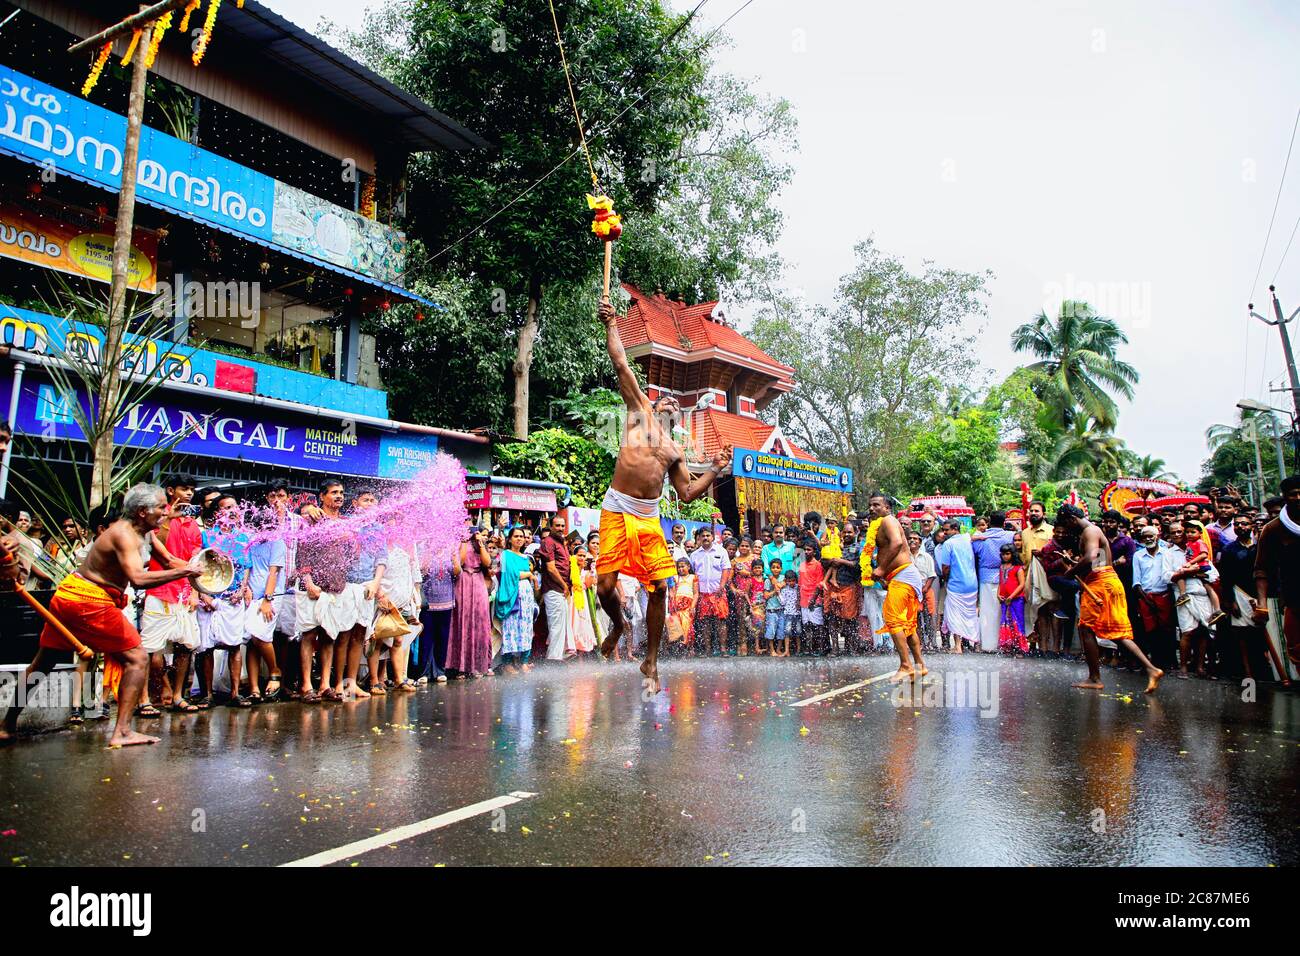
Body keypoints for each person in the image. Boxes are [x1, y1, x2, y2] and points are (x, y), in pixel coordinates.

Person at [594, 300, 732, 691]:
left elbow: (687, 493)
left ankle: (651, 660)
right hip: (616, 508)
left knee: (658, 586)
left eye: (676, 402)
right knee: (605, 587)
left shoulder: (674, 450)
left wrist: (716, 468)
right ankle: (619, 623)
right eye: (666, 399)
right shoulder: (639, 413)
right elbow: (621, 363)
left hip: (648, 516)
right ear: (654, 405)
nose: (671, 401)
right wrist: (612, 323)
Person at [3, 484, 202, 747]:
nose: (167, 512)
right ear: (142, 512)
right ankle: (122, 732)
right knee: (138, 658)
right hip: (90, 601)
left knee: (43, 664)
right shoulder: (124, 535)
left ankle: (6, 726)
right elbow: (138, 579)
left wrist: (196, 567)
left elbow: (167, 561)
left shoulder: (145, 532)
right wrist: (185, 573)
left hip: (70, 596)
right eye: (162, 508)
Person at [1054, 504, 1163, 693]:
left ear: (1072, 519)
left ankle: (1095, 678)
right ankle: (1151, 669)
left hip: (1102, 584)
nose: (1066, 529)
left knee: (1086, 628)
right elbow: (1098, 561)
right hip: (1106, 581)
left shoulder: (1090, 531)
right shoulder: (1093, 530)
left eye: (1066, 525)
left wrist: (1071, 571)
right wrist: (1073, 563)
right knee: (1117, 633)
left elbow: (1091, 557)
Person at [139, 472, 202, 713]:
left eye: (191, 490)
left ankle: (177, 696)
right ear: (170, 491)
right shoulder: (157, 516)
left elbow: (195, 561)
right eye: (184, 488)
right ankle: (144, 699)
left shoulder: (192, 524)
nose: (188, 493)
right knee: (150, 650)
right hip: (158, 590)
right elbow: (159, 551)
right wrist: (168, 518)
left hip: (184, 593)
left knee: (185, 648)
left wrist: (195, 592)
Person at [867, 493, 926, 681]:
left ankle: (906, 665)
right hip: (901, 575)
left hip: (904, 575)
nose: (872, 508)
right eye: (870, 505)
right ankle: (920, 665)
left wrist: (882, 568)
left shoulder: (888, 520)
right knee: (907, 626)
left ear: (887, 508)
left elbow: (898, 543)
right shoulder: (881, 523)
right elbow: (897, 549)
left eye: (876, 505)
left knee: (893, 620)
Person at [1252, 475, 1300, 680]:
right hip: (1294, 598)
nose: (1298, 498)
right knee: (1297, 649)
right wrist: (1262, 605)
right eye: (1293, 494)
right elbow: (1262, 569)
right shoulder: (1272, 530)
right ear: (1285, 497)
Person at [448, 524, 494, 677]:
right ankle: (460, 666)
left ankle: (479, 664)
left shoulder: (480, 544)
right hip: (463, 581)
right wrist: (463, 542)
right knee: (462, 620)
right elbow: (460, 562)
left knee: (480, 620)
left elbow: (487, 563)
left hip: (478, 580)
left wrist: (481, 544)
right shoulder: (460, 543)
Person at [496, 526, 539, 674]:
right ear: (510, 539)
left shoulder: (525, 557)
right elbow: (511, 573)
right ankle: (507, 663)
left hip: (526, 598)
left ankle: (524, 662)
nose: (519, 539)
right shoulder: (506, 554)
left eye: (521, 536)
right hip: (512, 595)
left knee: (526, 628)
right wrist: (528, 574)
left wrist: (529, 576)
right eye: (516, 536)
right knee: (511, 628)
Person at [970, 511, 1015, 653]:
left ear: (989, 521)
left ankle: (988, 645)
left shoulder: (981, 538)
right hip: (1006, 576)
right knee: (1004, 611)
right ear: (1004, 522)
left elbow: (975, 553)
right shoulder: (1010, 536)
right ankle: (1005, 643)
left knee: (987, 612)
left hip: (986, 577)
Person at [935, 519, 978, 652]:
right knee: (971, 614)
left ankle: (958, 646)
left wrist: (946, 580)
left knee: (955, 615)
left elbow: (945, 567)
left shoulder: (948, 543)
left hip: (956, 583)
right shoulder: (967, 539)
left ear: (955, 528)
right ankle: (977, 644)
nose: (944, 533)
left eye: (946, 530)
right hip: (972, 583)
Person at [1174, 519, 1226, 625]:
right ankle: (1217, 610)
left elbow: (1203, 555)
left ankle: (1183, 594)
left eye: (1193, 532)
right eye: (1187, 532)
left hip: (1200, 566)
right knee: (1207, 587)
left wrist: (1190, 563)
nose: (1189, 534)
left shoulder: (1199, 542)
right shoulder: (1190, 543)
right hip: (1197, 567)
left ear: (1200, 533)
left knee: (1180, 574)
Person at [689, 527, 731, 656]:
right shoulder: (694, 554)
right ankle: (707, 650)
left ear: (713, 537)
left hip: (718, 592)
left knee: (721, 621)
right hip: (703, 593)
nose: (706, 538)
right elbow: (692, 574)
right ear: (699, 538)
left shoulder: (721, 551)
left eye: (708, 535)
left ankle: (723, 649)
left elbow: (726, 569)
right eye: (703, 536)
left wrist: (722, 586)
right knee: (705, 622)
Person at [540, 515, 574, 661]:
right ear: (551, 527)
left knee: (563, 624)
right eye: (557, 526)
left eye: (562, 526)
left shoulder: (562, 543)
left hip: (562, 590)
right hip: (554, 588)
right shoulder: (548, 542)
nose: (560, 529)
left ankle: (559, 656)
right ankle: (553, 659)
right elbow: (551, 568)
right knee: (556, 625)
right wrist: (564, 585)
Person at [909, 531, 938, 651]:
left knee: (929, 617)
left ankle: (931, 643)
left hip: (926, 589)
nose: (912, 541)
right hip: (911, 592)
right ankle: (919, 644)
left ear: (920, 542)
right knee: (915, 618)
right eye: (910, 538)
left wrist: (924, 589)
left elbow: (931, 575)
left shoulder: (926, 557)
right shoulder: (904, 557)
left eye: (915, 539)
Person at [996, 545, 1028, 654]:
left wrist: (1011, 596)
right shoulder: (1002, 567)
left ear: (1012, 554)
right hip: (1005, 599)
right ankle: (1008, 646)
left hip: (1016, 599)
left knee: (1017, 622)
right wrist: (998, 594)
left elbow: (1022, 584)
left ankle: (1020, 649)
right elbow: (1001, 582)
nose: (1005, 556)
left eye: (1007, 554)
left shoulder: (1018, 568)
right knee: (1006, 621)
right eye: (1003, 554)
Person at [667, 557, 698, 651]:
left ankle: (689, 647)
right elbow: (672, 592)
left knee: (687, 625)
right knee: (676, 626)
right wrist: (672, 605)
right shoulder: (676, 578)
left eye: (683, 566)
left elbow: (696, 593)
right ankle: (676, 648)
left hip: (688, 606)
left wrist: (693, 606)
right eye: (679, 567)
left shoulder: (693, 577)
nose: (680, 569)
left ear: (688, 566)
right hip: (677, 606)